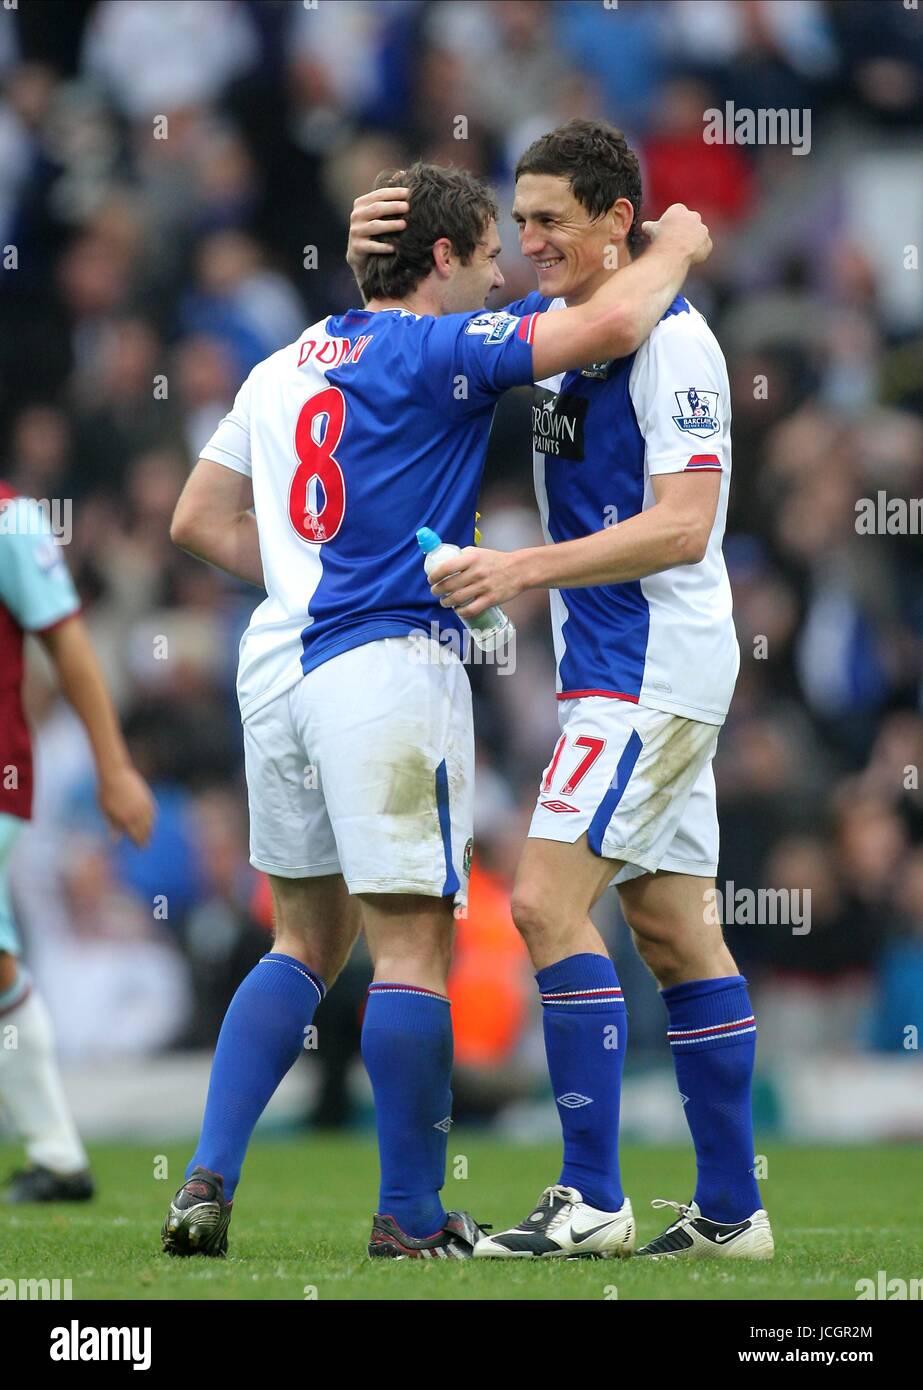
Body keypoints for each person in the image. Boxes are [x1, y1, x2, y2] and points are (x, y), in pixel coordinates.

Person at [165, 159, 710, 1259]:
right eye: (490, 252)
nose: (506, 270)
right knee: (412, 950)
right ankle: (412, 1217)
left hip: (280, 661)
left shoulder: (283, 363)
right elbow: (601, 329)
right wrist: (678, 248)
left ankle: (205, 1178)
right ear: (446, 257)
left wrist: (301, 574)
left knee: (303, 941)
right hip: (382, 659)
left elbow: (192, 519)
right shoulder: (437, 350)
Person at [347, 119, 773, 1261]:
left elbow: (683, 525)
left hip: (647, 667)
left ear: (614, 223)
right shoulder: (563, 328)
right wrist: (365, 245)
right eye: (518, 220)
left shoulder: (672, 343)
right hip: (617, 665)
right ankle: (733, 1214)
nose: (528, 240)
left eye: (549, 221)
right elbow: (406, 329)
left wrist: (524, 567)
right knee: (675, 930)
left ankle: (590, 1194)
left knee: (539, 902)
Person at [0, 484, 155, 1202]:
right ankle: (59, 1156)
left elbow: (66, 638)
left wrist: (114, 766)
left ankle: (59, 1154)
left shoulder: (11, 518)